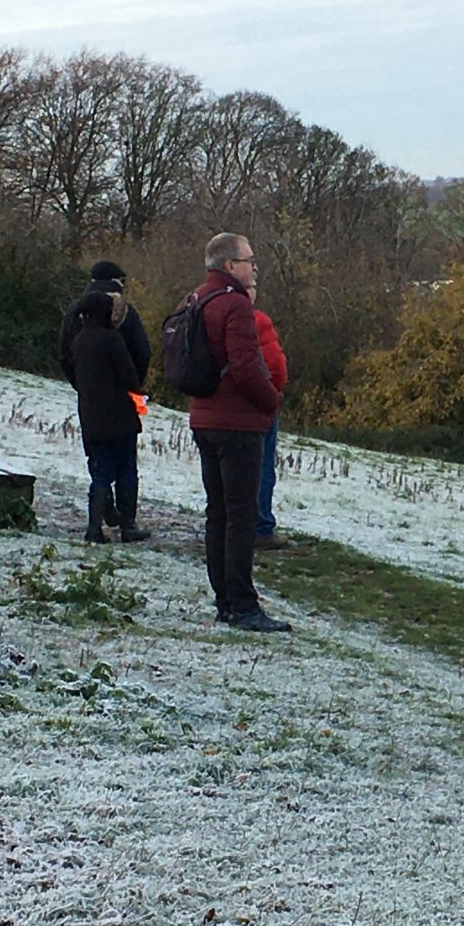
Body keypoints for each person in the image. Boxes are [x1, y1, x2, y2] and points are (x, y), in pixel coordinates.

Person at [186, 233, 290, 633]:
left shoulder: (196, 299)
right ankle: (244, 606)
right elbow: (247, 367)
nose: (254, 266)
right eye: (249, 259)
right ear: (230, 265)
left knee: (217, 513)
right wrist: (270, 401)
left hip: (204, 418)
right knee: (242, 515)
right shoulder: (236, 305)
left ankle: (225, 601)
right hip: (238, 424)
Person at [60, 260, 152, 532]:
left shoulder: (74, 313)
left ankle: (102, 513)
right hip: (120, 403)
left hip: (89, 402)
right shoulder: (124, 314)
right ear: (118, 281)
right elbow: (142, 353)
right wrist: (133, 387)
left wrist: (83, 384)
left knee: (98, 462)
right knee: (126, 465)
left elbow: (63, 355)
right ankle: (127, 522)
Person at [252, 297, 289, 550]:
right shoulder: (257, 321)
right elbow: (275, 366)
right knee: (262, 467)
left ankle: (226, 526)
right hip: (255, 405)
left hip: (212, 410)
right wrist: (272, 393)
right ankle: (261, 527)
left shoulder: (203, 311)